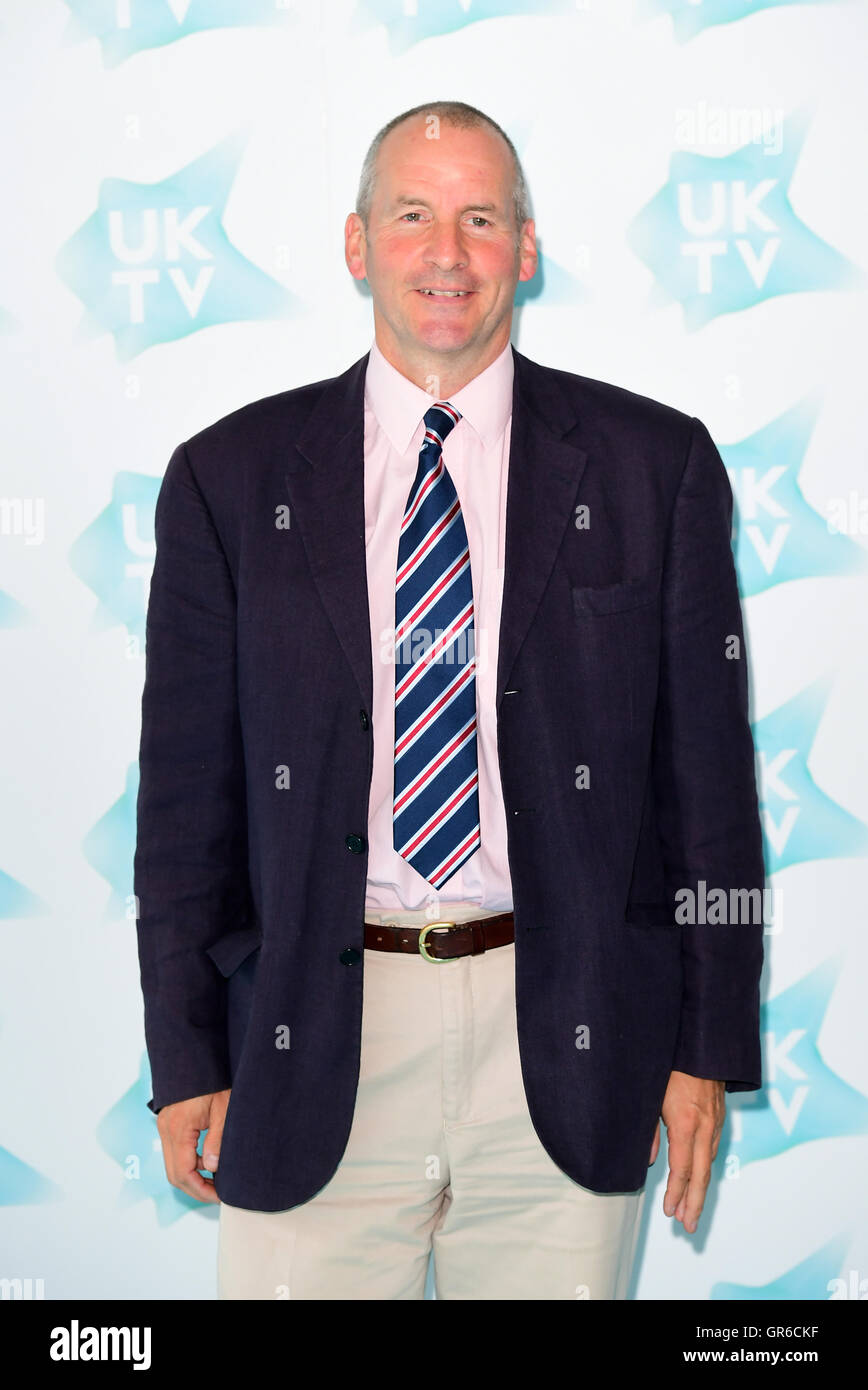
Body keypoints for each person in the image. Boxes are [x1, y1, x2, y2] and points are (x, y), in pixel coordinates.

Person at [134, 100, 766, 1301]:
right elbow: (182, 812)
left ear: (526, 248)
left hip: (567, 1041)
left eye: (481, 219)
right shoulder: (227, 478)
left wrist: (707, 1049)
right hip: (314, 1034)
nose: (447, 253)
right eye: (413, 215)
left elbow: (710, 792)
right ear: (356, 244)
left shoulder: (653, 467)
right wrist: (184, 1057)